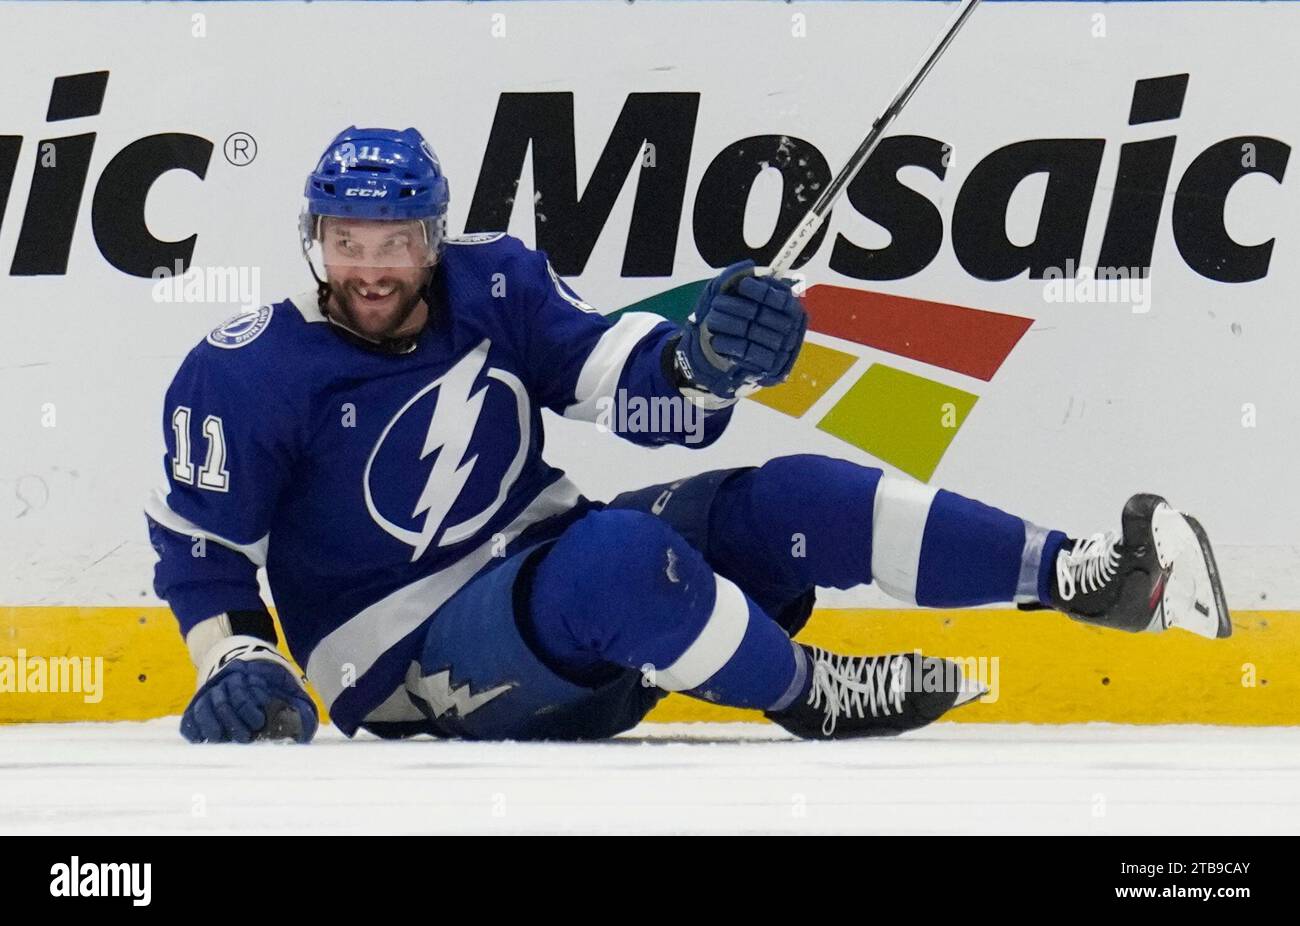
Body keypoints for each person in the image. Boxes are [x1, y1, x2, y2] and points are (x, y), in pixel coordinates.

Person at [145, 126, 1229, 745]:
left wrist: (699, 362)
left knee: (793, 492)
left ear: (432, 238)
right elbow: (201, 553)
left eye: (396, 239)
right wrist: (238, 658)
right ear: (314, 240)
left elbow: (626, 385)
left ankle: (1086, 577)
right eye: (347, 240)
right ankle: (809, 691)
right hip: (399, 657)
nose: (370, 266)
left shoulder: (498, 283)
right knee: (617, 556)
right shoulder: (247, 371)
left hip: (553, 569)